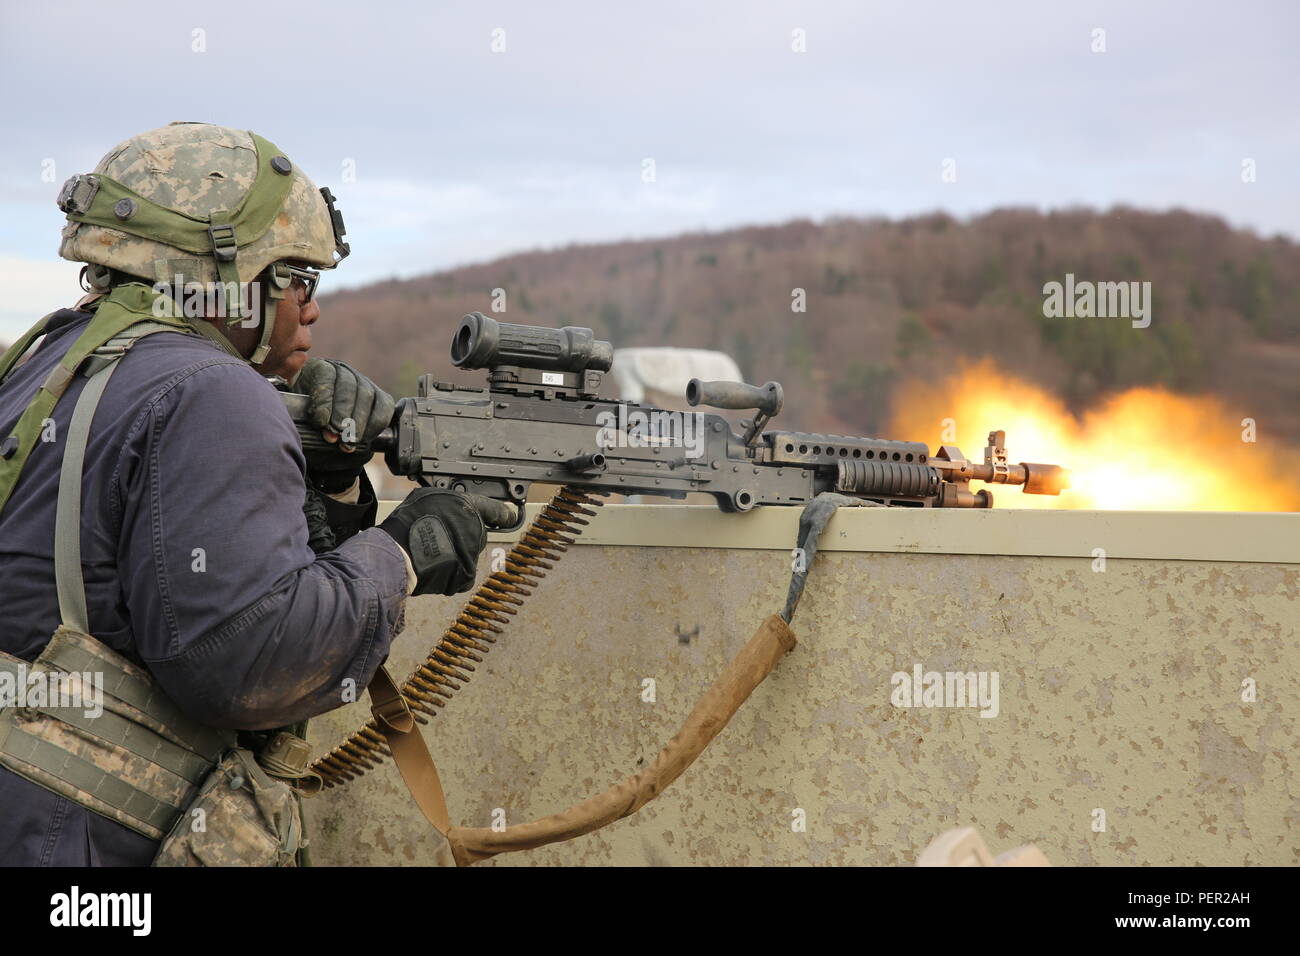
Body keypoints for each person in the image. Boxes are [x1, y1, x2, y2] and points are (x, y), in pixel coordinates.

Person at [0, 122, 495, 865]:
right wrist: (401, 556)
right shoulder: (213, 392)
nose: (311, 309)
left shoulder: (45, 365)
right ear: (226, 277)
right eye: (298, 279)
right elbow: (246, 661)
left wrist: (324, 488)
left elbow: (126, 565)